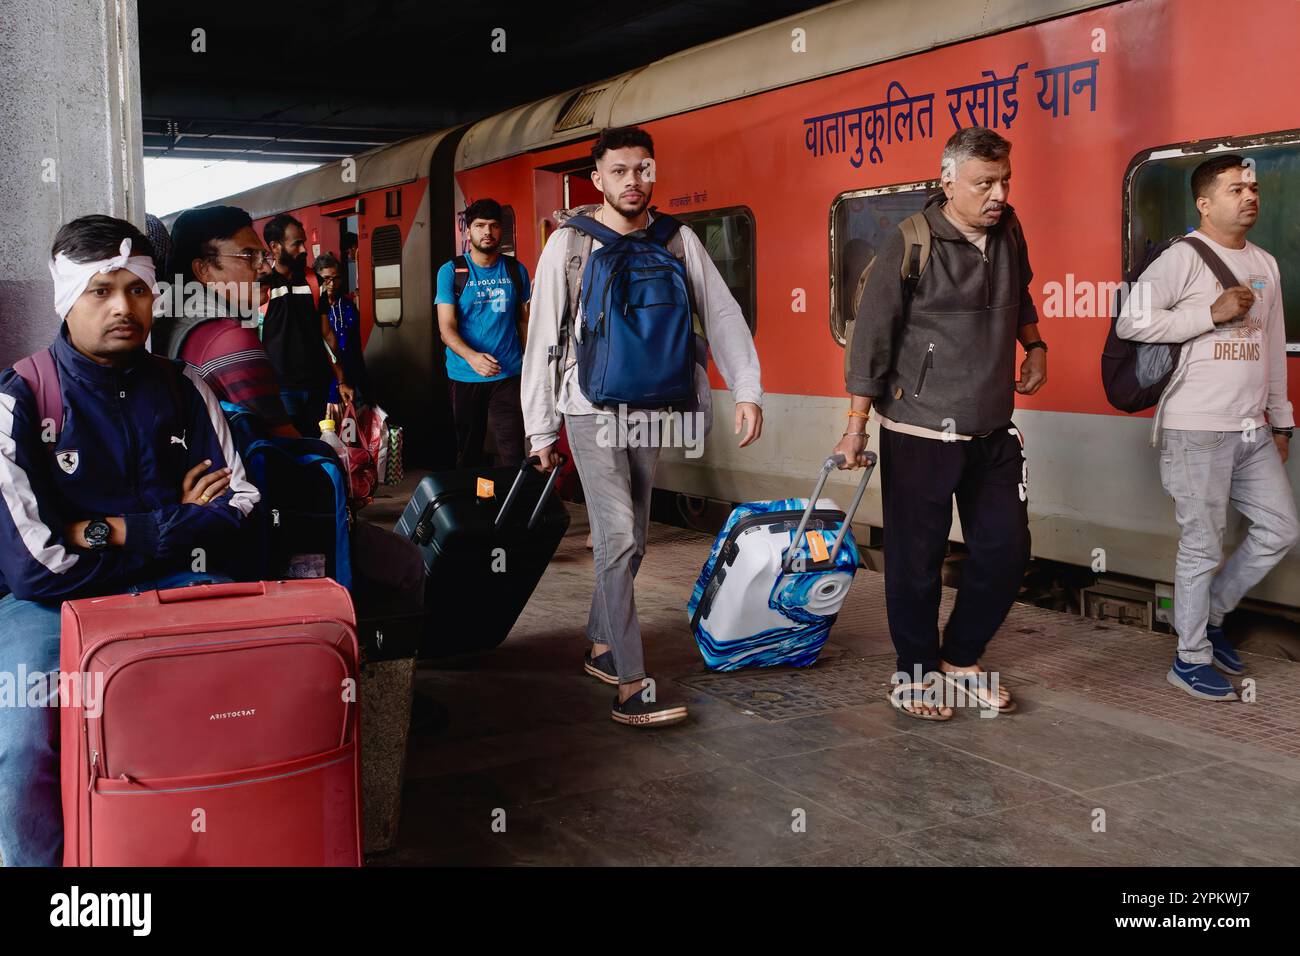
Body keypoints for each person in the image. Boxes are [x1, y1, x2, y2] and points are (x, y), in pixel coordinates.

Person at [0, 215, 259, 865]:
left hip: (176, 585)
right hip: (47, 608)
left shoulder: (186, 390)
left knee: (250, 692)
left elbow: (242, 507)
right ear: (68, 298)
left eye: (138, 290)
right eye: (101, 291)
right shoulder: (21, 401)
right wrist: (164, 526)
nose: (123, 306)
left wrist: (112, 531)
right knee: (23, 734)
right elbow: (36, 566)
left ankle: (219, 845)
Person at [521, 125, 764, 727]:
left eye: (644, 169)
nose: (634, 182)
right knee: (618, 536)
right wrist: (539, 431)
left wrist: (748, 389)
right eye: (620, 171)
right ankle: (631, 682)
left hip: (652, 409)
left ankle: (602, 643)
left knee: (635, 540)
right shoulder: (569, 245)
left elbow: (723, 312)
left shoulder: (676, 239)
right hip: (590, 408)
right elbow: (543, 340)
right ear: (597, 179)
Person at [835, 127, 1045, 720]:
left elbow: (1021, 293)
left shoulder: (1011, 230)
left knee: (1006, 550)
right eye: (984, 183)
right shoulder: (910, 243)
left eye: (1004, 180)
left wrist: (1036, 345)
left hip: (991, 428)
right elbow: (870, 342)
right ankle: (916, 672)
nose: (998, 193)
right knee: (915, 561)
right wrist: (856, 427)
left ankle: (962, 657)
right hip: (920, 431)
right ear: (949, 179)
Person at [1117, 154, 1298, 701]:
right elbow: (1132, 320)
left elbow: (1270, 350)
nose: (1249, 196)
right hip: (1196, 427)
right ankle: (1188, 657)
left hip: (1251, 430)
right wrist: (1210, 315)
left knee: (1281, 530)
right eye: (1235, 189)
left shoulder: (1265, 263)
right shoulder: (1182, 258)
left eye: (1253, 187)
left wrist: (1282, 422)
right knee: (1201, 545)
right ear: (1204, 203)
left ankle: (1211, 616)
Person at [153, 205, 297, 437]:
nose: (265, 269)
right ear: (203, 270)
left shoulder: (169, 320)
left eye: (263, 257)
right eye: (249, 256)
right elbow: (282, 445)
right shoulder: (231, 339)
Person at [435, 198, 531, 468]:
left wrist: (529, 363)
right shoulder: (452, 271)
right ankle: (472, 506)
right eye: (480, 226)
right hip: (466, 373)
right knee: (469, 451)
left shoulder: (515, 269)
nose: (487, 232)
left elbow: (524, 321)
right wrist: (473, 358)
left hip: (508, 373)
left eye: (493, 226)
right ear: (468, 231)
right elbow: (446, 328)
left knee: (513, 451)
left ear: (502, 231)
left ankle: (512, 507)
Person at [261, 214, 354, 436]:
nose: (304, 250)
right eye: (297, 244)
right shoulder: (261, 287)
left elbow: (327, 334)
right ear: (275, 247)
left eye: (304, 242)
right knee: (292, 451)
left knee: (315, 444)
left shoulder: (314, 283)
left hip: (316, 385)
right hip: (280, 388)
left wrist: (342, 380)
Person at [314, 252, 371, 405]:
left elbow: (356, 346)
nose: (331, 284)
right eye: (326, 279)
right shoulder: (312, 309)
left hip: (351, 375)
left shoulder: (348, 306)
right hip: (325, 381)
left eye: (336, 278)